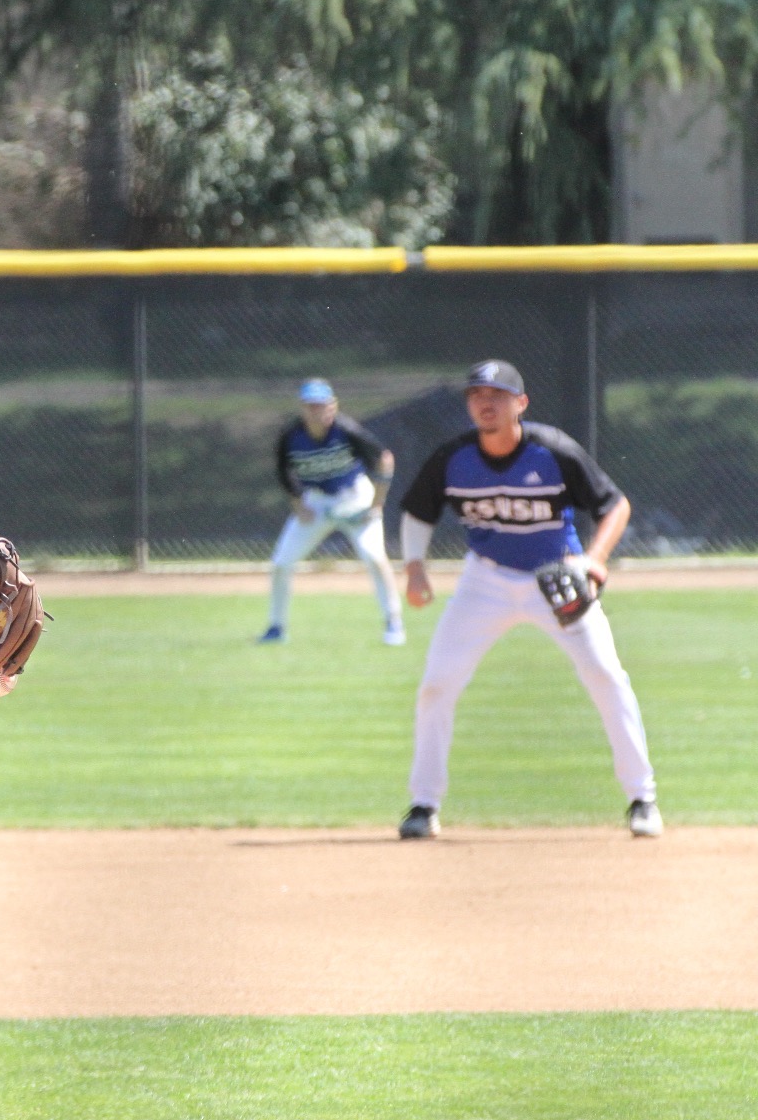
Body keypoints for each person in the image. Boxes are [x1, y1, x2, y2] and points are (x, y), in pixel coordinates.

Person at [394, 359, 661, 840]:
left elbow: (614, 504)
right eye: (476, 395)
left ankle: (642, 797)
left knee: (605, 675)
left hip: (556, 580)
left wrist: (596, 559)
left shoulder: (552, 451)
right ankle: (423, 804)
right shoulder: (453, 458)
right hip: (484, 583)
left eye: (496, 395)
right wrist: (415, 568)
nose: (485, 403)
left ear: (521, 404)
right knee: (437, 684)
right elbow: (417, 511)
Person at [260, 378, 404, 646]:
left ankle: (393, 622)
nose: (317, 411)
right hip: (316, 501)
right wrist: (298, 504)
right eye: (311, 406)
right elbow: (283, 470)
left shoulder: (346, 430)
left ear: (333, 406)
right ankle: (276, 628)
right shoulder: (291, 435)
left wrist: (376, 504)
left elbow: (384, 459)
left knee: (374, 557)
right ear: (302, 408)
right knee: (281, 563)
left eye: (322, 405)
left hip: (355, 499)